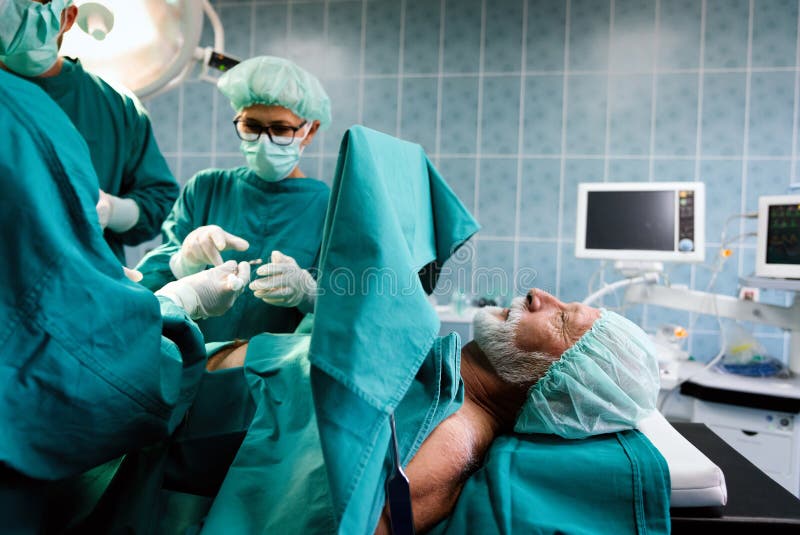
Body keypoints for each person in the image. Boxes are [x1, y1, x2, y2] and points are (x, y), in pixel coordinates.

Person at [0, 63, 251, 532]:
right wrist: (175, 295)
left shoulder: (78, 109)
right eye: (251, 124)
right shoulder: (24, 116)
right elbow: (95, 371)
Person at [205, 288, 660, 533]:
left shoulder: (449, 438)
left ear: (557, 384)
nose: (539, 295)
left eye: (561, 318)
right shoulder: (441, 374)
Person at [136, 55, 332, 342]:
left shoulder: (332, 208)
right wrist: (183, 262)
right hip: (193, 366)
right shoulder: (206, 188)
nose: (265, 141)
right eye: (251, 126)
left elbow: (350, 311)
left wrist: (310, 294)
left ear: (309, 130)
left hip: (272, 377)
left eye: (280, 129)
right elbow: (149, 286)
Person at [0, 0, 180, 263]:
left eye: (35, 2)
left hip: (94, 288)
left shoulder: (115, 104)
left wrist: (113, 210)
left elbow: (159, 199)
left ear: (69, 17)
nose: (19, 9)